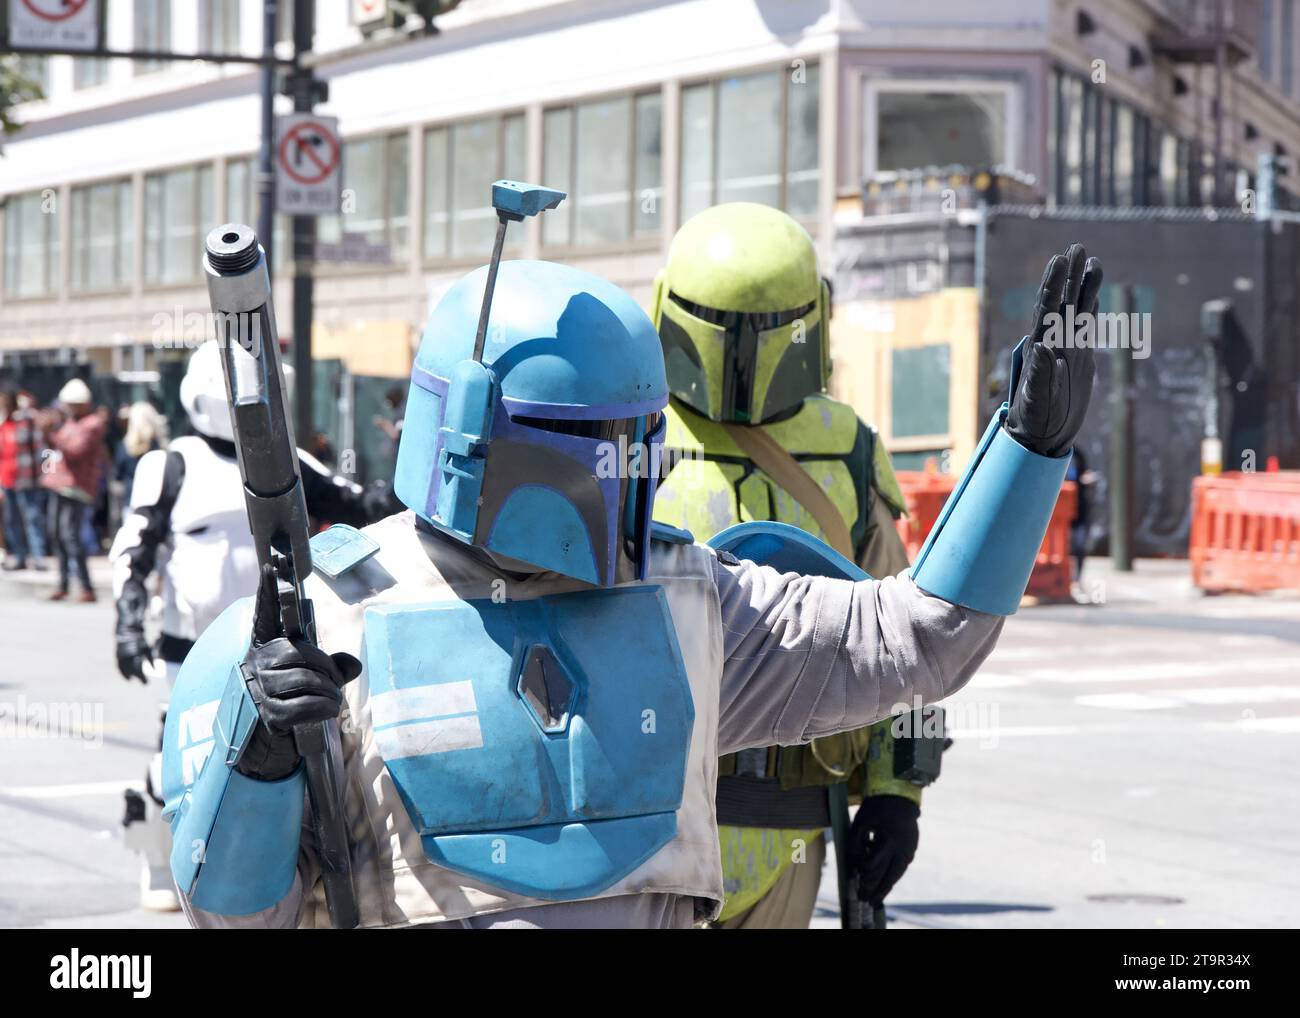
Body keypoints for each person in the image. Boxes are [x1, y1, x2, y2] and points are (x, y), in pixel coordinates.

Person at [160, 187, 1099, 928]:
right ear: (473, 436)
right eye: (586, 438)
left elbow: (923, 639)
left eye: (633, 435)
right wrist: (263, 756)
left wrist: (1026, 451)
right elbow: (234, 914)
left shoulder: (694, 600)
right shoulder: (329, 623)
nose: (621, 467)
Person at [650, 202, 924, 928]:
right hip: (646, 817)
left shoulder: (846, 447)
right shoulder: (625, 428)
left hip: (781, 825)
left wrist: (900, 793)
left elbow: (902, 632)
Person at [109, 339, 399, 911]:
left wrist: (388, 499)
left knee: (268, 759)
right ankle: (155, 855)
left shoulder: (283, 461)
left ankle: (261, 878)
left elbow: (352, 501)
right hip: (187, 647)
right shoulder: (169, 465)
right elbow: (133, 549)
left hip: (271, 645)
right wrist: (126, 619)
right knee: (183, 757)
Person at [39, 379, 107, 602]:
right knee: (57, 535)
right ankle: (63, 583)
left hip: (77, 487)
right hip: (61, 485)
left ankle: (86, 586)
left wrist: (52, 433)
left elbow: (75, 451)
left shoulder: (92, 424)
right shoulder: (71, 422)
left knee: (70, 536)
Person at [1, 389, 46, 570]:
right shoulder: (3, 425)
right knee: (12, 521)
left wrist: (43, 475)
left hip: (26, 480)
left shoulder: (25, 423)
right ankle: (19, 556)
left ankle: (38, 557)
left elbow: (40, 450)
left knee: (32, 519)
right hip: (6, 481)